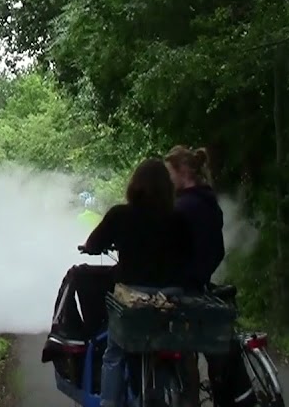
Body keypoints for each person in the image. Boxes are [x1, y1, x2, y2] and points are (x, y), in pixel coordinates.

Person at [82, 159, 192, 407]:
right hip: (169, 297)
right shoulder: (179, 219)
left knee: (115, 351)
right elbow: (189, 255)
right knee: (163, 345)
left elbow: (93, 243)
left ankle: (109, 402)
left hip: (133, 296)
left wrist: (91, 249)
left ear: (135, 185)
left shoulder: (121, 214)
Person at [165, 145, 226, 407]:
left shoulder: (181, 207)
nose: (168, 180)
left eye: (170, 173)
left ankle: (187, 400)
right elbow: (218, 250)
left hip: (183, 287)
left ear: (183, 172)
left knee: (180, 349)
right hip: (201, 284)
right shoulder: (210, 202)